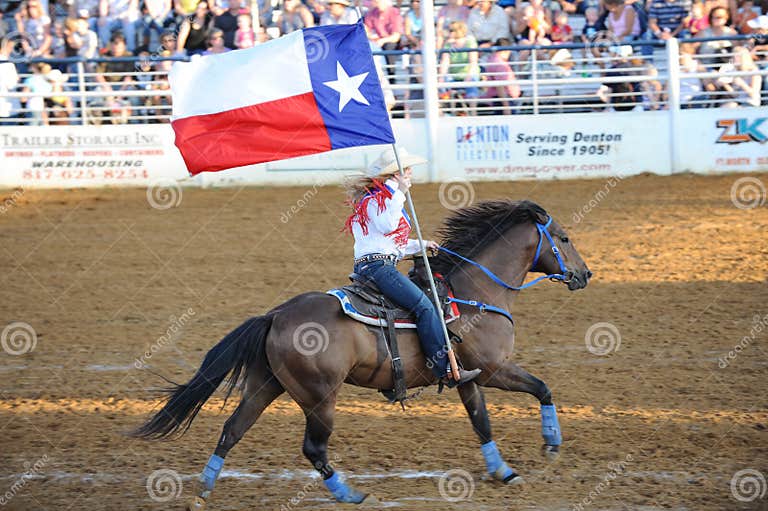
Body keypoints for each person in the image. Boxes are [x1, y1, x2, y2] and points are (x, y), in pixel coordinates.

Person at [344, 147, 482, 387]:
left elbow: (392, 242)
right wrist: (400, 193)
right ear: (395, 174)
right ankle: (446, 368)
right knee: (425, 308)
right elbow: (388, 226)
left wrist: (422, 244)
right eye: (406, 170)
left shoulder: (378, 200)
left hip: (374, 264)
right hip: (379, 268)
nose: (410, 173)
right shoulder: (378, 200)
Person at [364, 0, 403, 77]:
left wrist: (382, 40)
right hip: (377, 41)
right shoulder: (373, 12)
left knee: (389, 47)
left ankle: (391, 76)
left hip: (392, 40)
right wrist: (371, 36)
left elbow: (396, 36)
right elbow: (366, 29)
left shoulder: (394, 12)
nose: (376, 3)